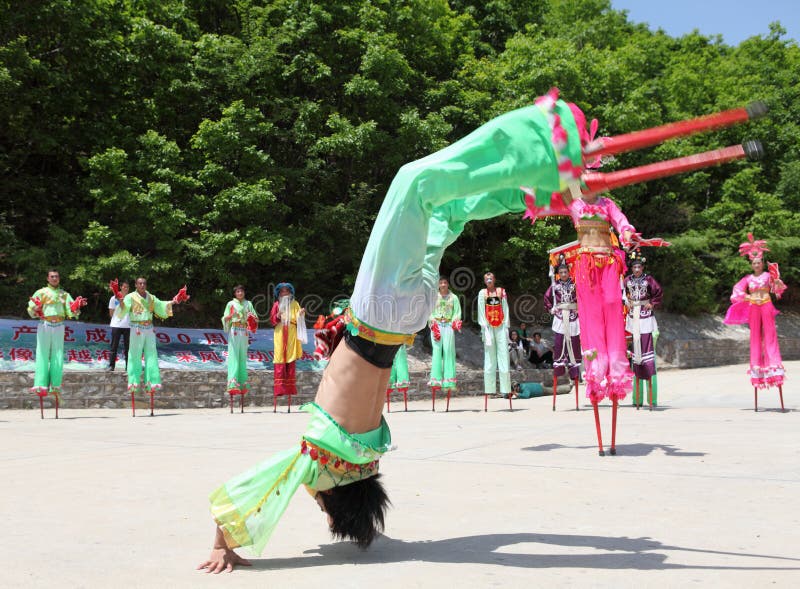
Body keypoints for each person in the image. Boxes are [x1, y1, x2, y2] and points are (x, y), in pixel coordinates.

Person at [199, 88, 753, 569]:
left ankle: (536, 190)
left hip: (405, 320)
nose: (315, 503)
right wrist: (225, 540)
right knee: (414, 182)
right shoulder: (322, 460)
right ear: (334, 493)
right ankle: (541, 159)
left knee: (446, 211)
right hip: (382, 316)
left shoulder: (364, 458)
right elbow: (256, 489)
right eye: (324, 506)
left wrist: (351, 522)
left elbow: (331, 498)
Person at [724, 234, 787, 408]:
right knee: (755, 339)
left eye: (759, 262)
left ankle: (774, 365)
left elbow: (777, 290)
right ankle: (757, 367)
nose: (756, 264)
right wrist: (747, 297)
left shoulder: (768, 276)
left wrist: (778, 284)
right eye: (754, 262)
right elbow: (736, 291)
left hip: (766, 306)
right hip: (754, 308)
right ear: (751, 264)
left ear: (762, 262)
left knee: (770, 337)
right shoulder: (748, 279)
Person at [114, 277, 188, 413]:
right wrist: (120, 301)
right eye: (139, 283)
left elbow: (161, 305)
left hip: (149, 328)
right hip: (136, 328)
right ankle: (133, 381)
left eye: (144, 283)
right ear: (136, 285)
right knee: (134, 356)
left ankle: (152, 382)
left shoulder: (151, 297)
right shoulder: (130, 297)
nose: (142, 285)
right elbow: (123, 311)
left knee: (151, 355)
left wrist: (174, 300)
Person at [27, 268, 87, 414]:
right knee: (42, 353)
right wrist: (36, 307)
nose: (55, 278)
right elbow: (30, 310)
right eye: (52, 276)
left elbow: (72, 312)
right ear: (47, 278)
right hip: (45, 324)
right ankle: (41, 384)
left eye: (57, 276)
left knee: (58, 355)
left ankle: (55, 385)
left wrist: (76, 307)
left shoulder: (64, 294)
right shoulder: (41, 292)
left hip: (59, 324)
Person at [624, 253, 663, 408]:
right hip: (633, 316)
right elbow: (621, 294)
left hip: (646, 317)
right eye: (634, 267)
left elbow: (658, 292)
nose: (637, 269)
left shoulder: (649, 280)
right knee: (635, 352)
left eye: (639, 267)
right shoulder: (627, 280)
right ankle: (637, 399)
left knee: (647, 352)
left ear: (643, 267)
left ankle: (651, 398)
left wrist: (652, 303)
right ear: (632, 268)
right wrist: (626, 302)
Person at [270, 282, 306, 406]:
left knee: (290, 358)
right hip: (280, 331)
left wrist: (301, 314)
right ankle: (279, 390)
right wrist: (278, 315)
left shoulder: (295, 304)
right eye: (282, 291)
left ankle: (290, 389)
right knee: (279, 357)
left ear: (290, 293)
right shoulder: (276, 304)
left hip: (291, 331)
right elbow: (272, 320)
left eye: (287, 291)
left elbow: (298, 318)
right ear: (279, 293)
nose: (285, 293)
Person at [222, 285, 258, 405]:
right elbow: (224, 318)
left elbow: (256, 318)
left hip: (244, 331)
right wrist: (230, 316)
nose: (240, 293)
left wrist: (252, 318)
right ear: (235, 293)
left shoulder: (249, 304)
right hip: (235, 330)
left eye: (241, 291)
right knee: (234, 357)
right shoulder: (230, 304)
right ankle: (233, 383)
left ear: (244, 292)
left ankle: (242, 383)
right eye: (238, 291)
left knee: (243, 357)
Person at [477, 272, 512, 399]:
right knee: (489, 357)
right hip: (488, 327)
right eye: (487, 278)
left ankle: (506, 388)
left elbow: (505, 308)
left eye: (491, 278)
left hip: (501, 326)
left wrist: (506, 326)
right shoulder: (482, 293)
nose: (489, 280)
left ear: (495, 279)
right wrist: (483, 326)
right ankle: (490, 388)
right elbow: (481, 309)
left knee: (503, 356)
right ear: (485, 281)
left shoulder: (501, 291)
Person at [428, 276, 462, 398]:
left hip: (448, 325)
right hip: (436, 325)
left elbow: (457, 312)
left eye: (445, 282)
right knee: (437, 351)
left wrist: (454, 322)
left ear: (448, 284)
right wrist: (432, 322)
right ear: (438, 285)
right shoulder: (433, 297)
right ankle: (436, 379)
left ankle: (449, 380)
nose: (443, 284)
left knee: (448, 351)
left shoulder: (454, 298)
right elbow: (429, 312)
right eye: (441, 283)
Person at [107, 280, 130, 372]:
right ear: (120, 287)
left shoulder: (130, 299)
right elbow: (111, 313)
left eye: (127, 287)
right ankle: (111, 366)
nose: (125, 288)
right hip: (116, 325)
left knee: (128, 348)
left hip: (128, 325)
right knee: (114, 346)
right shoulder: (113, 298)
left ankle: (128, 367)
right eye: (124, 287)